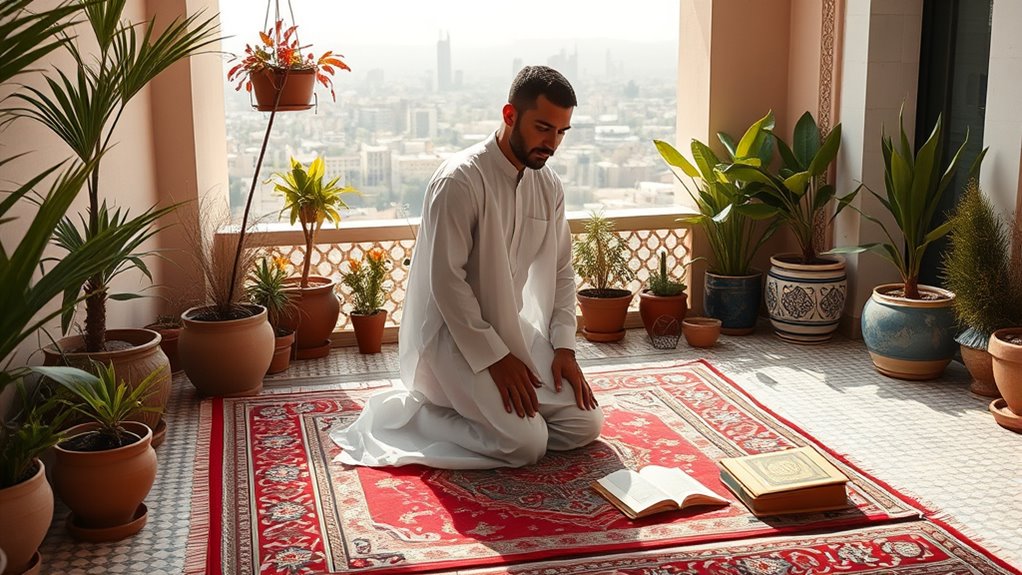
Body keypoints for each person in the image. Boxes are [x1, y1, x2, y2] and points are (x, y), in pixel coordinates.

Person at [331, 66, 603, 469]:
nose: (553, 143)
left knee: (585, 423)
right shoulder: (460, 180)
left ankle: (496, 414)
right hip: (453, 341)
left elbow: (563, 270)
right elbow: (447, 282)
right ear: (510, 115)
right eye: (544, 128)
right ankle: (419, 417)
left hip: (515, 334)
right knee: (526, 445)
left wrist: (563, 346)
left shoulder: (548, 186)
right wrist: (494, 357)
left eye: (562, 132)